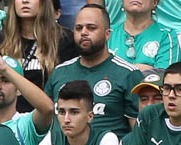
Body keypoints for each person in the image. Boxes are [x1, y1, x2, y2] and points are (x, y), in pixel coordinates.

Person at [46, 4, 144, 137]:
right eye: (78, 28)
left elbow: (139, 134)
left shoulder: (128, 74)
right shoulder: (59, 72)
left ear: (107, 34)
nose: (84, 32)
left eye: (91, 28)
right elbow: (44, 121)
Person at [0, 0, 77, 107]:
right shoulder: (0, 39)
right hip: (7, 120)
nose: (25, 1)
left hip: (46, 117)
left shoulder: (65, 40)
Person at [113, 0, 181, 69]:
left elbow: (166, 76)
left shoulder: (166, 35)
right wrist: (144, 69)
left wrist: (120, 70)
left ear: (155, 2)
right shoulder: (108, 33)